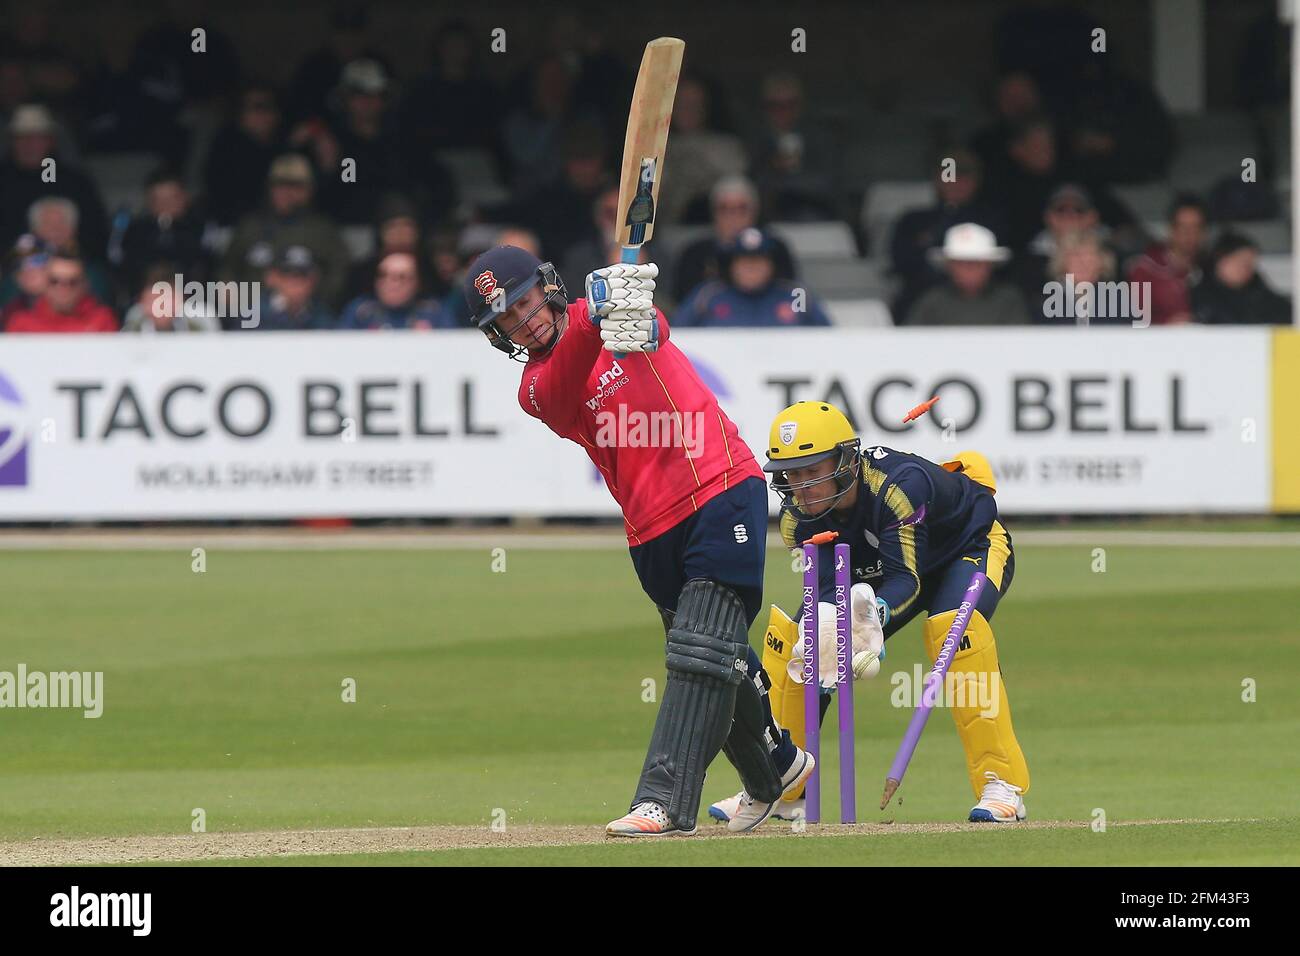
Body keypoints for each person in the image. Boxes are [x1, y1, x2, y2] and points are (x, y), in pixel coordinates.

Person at [466, 244, 813, 836]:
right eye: (507, 318)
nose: (523, 321)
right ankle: (777, 768)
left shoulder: (608, 309)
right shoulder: (536, 387)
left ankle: (664, 800)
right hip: (649, 527)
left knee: (700, 653)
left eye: (524, 303)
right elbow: (569, 375)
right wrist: (603, 317)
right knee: (717, 655)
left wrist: (635, 314)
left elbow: (655, 330)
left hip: (719, 482)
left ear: (545, 288)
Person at [710, 401, 1030, 824]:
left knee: (956, 631)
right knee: (801, 642)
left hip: (966, 548)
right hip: (884, 567)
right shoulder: (797, 518)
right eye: (791, 474)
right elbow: (826, 589)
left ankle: (1002, 784)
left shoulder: (898, 488)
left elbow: (907, 580)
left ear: (844, 462)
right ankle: (780, 784)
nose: (800, 487)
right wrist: (831, 631)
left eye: (812, 471)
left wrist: (873, 615)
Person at [220, 153, 350, 307]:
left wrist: (306, 295)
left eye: (294, 186)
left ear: (309, 190)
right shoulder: (250, 227)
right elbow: (227, 269)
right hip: (250, 317)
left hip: (306, 320)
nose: (285, 191)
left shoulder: (323, 231)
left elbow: (339, 277)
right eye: (278, 184)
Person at [671, 175, 796, 304]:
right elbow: (683, 305)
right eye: (724, 209)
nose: (733, 217)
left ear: (755, 211)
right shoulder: (694, 254)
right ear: (713, 213)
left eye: (741, 208)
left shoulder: (774, 249)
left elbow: (790, 298)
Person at [676, 227, 829, 327]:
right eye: (743, 261)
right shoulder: (708, 295)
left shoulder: (796, 295)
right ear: (731, 266)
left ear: (772, 265)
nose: (751, 267)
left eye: (758, 260)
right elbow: (676, 339)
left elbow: (831, 340)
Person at [906, 223, 1029, 327]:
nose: (968, 270)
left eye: (976, 263)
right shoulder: (932, 301)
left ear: (990, 265)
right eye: (961, 263)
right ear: (948, 266)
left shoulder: (1008, 300)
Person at [1125, 195, 1209, 325]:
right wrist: (1166, 325)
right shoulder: (1145, 268)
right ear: (1171, 230)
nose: (1189, 234)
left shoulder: (1212, 268)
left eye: (1195, 227)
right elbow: (1134, 321)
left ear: (1204, 232)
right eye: (1183, 226)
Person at [1191, 232, 1290, 325]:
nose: (1247, 269)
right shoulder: (1199, 296)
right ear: (1222, 261)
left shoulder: (1258, 290)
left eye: (1250, 264)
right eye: (1242, 263)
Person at [5, 251, 116, 333]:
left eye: (72, 282)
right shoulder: (21, 323)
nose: (63, 289)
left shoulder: (102, 320)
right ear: (44, 283)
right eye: (55, 281)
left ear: (84, 285)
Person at [338, 251, 446, 330]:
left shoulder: (434, 311)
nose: (391, 283)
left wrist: (431, 340)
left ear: (416, 283)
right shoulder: (360, 310)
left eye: (401, 277)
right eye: (383, 275)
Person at [120, 262, 220, 332]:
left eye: (167, 300)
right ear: (143, 301)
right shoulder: (134, 328)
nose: (160, 307)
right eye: (153, 300)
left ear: (180, 299)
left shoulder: (197, 326)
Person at [259, 246, 335, 330]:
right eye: (286, 272)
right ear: (271, 277)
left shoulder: (324, 317)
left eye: (303, 273)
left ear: (314, 278)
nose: (295, 280)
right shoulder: (252, 315)